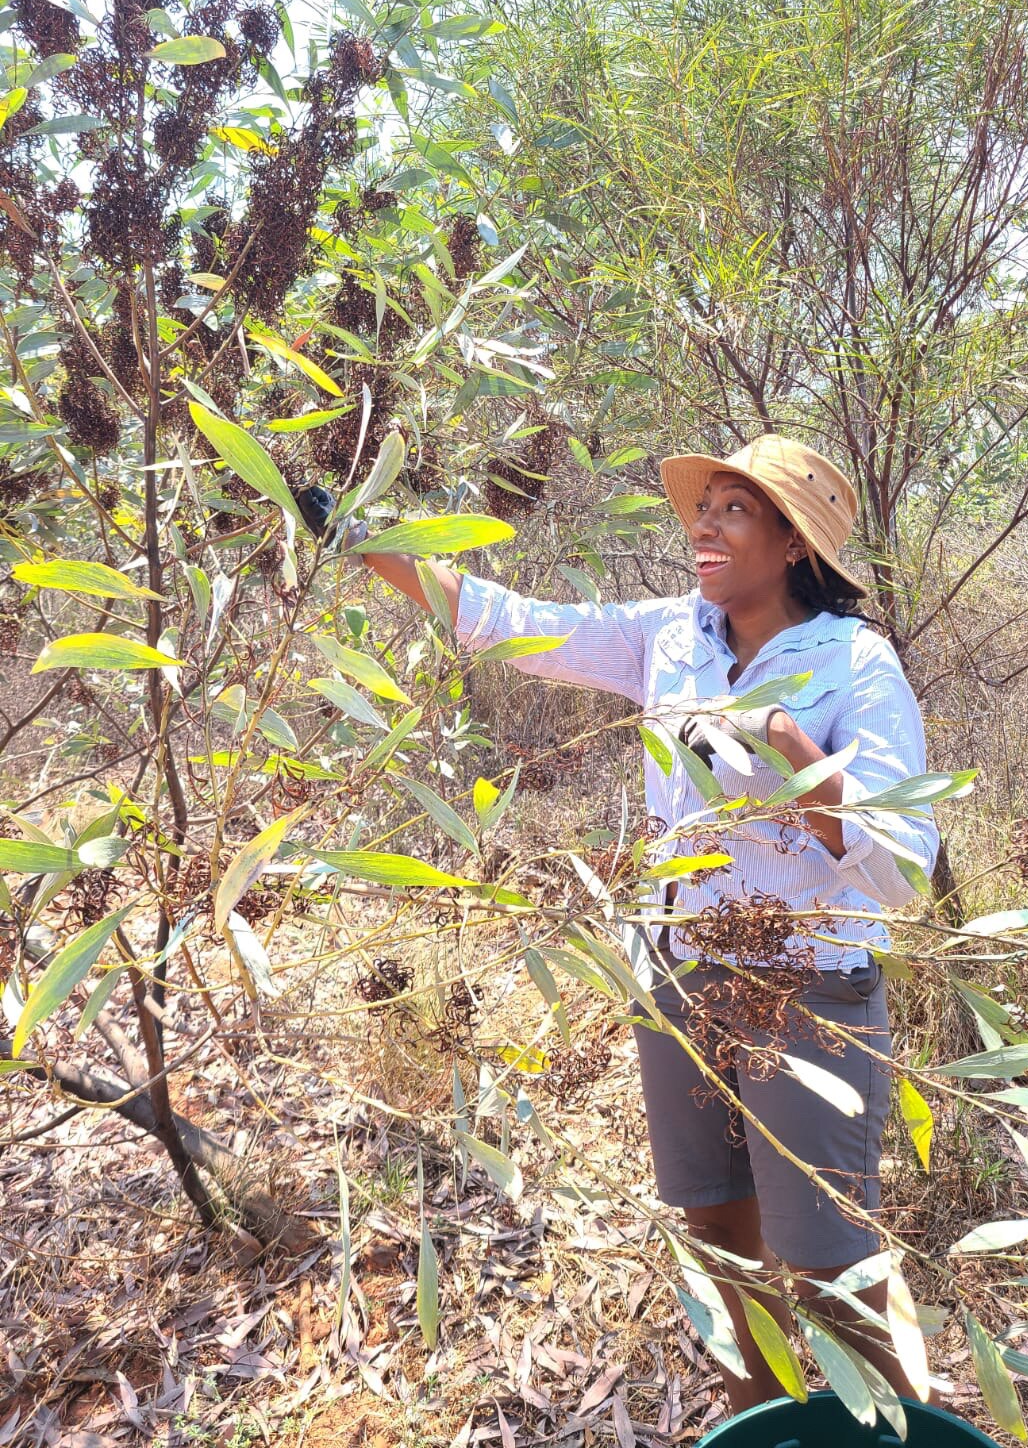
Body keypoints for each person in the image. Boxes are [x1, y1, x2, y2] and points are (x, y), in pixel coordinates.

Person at [297, 434, 939, 1409]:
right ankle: (763, 1429)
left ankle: (902, 1435)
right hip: (678, 981)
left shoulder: (858, 665)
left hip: (805, 991)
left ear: (795, 543)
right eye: (705, 505)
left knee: (829, 1266)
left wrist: (792, 751)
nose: (704, 523)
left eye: (735, 508)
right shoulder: (667, 636)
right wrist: (358, 535)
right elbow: (503, 619)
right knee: (720, 1245)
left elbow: (904, 868)